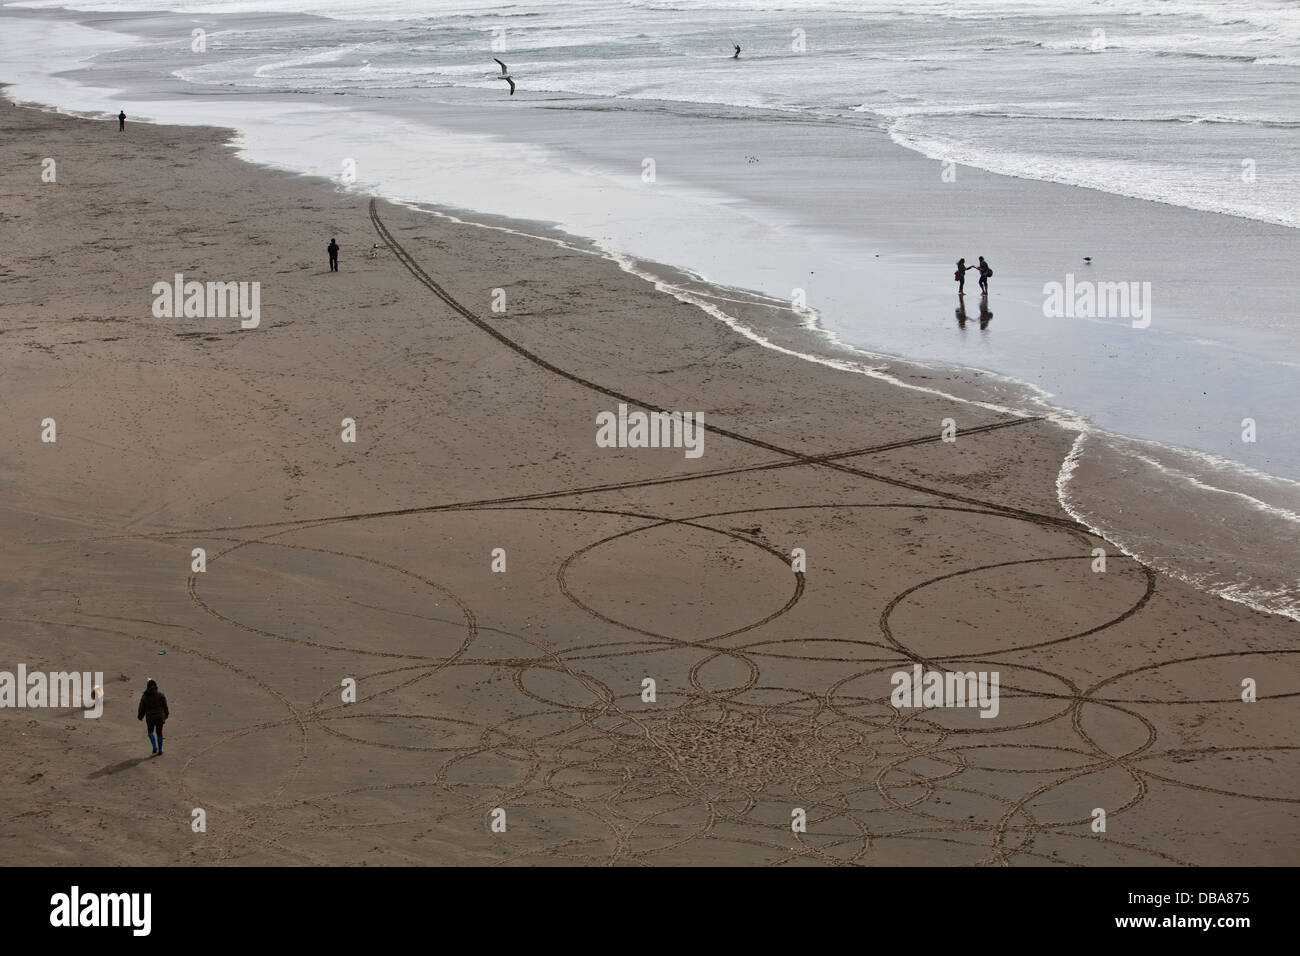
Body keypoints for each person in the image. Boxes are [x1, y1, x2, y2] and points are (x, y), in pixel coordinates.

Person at [137, 679, 169, 755]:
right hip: (160, 717)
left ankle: (154, 746)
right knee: (159, 733)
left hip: (150, 718)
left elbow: (142, 708)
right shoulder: (161, 695)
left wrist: (140, 716)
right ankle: (160, 750)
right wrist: (166, 714)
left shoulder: (145, 696)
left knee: (150, 732)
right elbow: (165, 706)